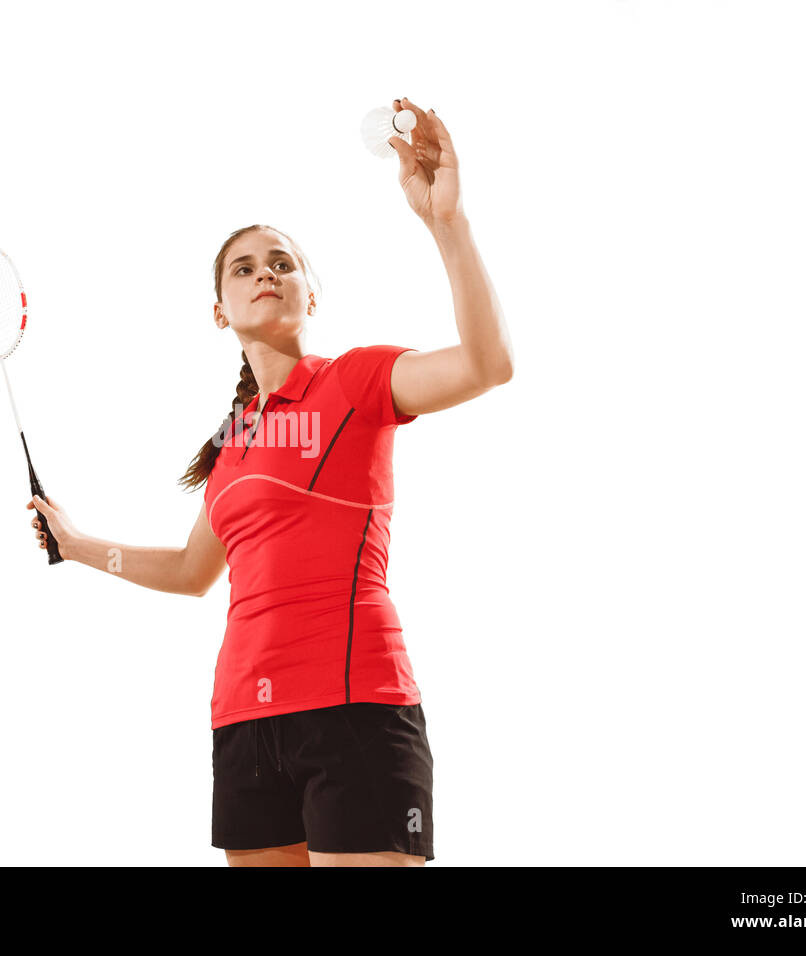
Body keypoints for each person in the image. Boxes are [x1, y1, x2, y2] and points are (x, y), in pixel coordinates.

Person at [27, 97, 513, 866]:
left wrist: (445, 223)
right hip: (246, 724)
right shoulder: (232, 445)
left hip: (355, 708)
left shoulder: (356, 382)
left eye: (282, 263)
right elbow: (194, 574)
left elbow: (489, 365)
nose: (266, 275)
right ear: (219, 311)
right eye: (244, 268)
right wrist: (79, 545)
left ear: (309, 296)